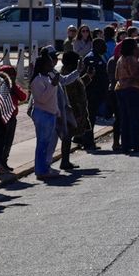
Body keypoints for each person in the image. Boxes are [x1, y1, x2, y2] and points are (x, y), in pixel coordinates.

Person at [28, 49, 62, 179]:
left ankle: (45, 168)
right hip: (42, 115)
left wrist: (57, 111)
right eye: (48, 65)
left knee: (46, 144)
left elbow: (52, 98)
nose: (51, 67)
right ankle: (41, 170)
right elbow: (41, 99)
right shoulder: (37, 80)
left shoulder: (47, 78)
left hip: (50, 113)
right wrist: (53, 85)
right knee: (42, 144)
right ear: (42, 66)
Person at [111, 38, 139, 152]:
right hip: (133, 90)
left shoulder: (120, 59)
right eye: (136, 46)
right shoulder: (131, 59)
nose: (138, 48)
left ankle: (126, 144)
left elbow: (116, 76)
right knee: (135, 117)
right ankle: (135, 144)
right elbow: (135, 74)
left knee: (125, 118)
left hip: (121, 89)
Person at [58, 49, 88, 171]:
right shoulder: (66, 75)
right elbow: (73, 96)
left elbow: (80, 86)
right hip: (71, 110)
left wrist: (88, 77)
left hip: (74, 109)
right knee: (67, 137)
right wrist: (79, 113)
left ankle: (66, 160)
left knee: (68, 137)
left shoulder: (72, 73)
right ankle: (65, 161)